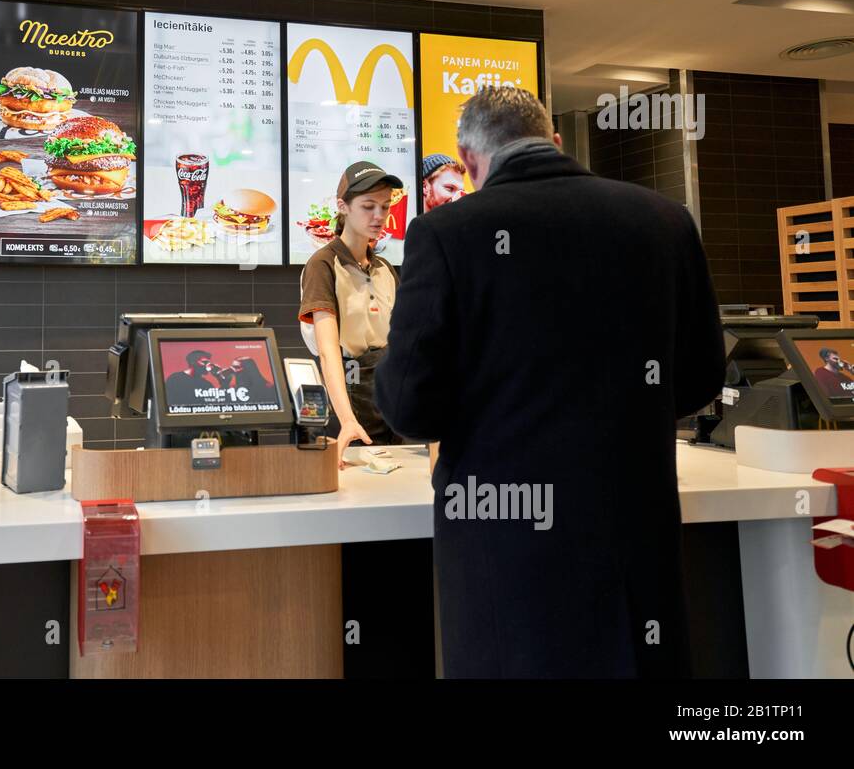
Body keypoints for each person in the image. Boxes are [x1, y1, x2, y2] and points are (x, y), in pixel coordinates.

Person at [375, 85, 725, 678]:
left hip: (507, 555)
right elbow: (698, 380)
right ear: (556, 142)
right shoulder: (665, 221)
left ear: (468, 159)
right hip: (635, 540)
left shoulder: (448, 234)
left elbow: (409, 405)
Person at [299, 161, 405, 468]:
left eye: (385, 207)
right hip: (349, 392)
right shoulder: (322, 265)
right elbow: (328, 350)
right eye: (368, 206)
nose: (379, 216)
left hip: (387, 395)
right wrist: (346, 420)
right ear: (343, 206)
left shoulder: (384, 269)